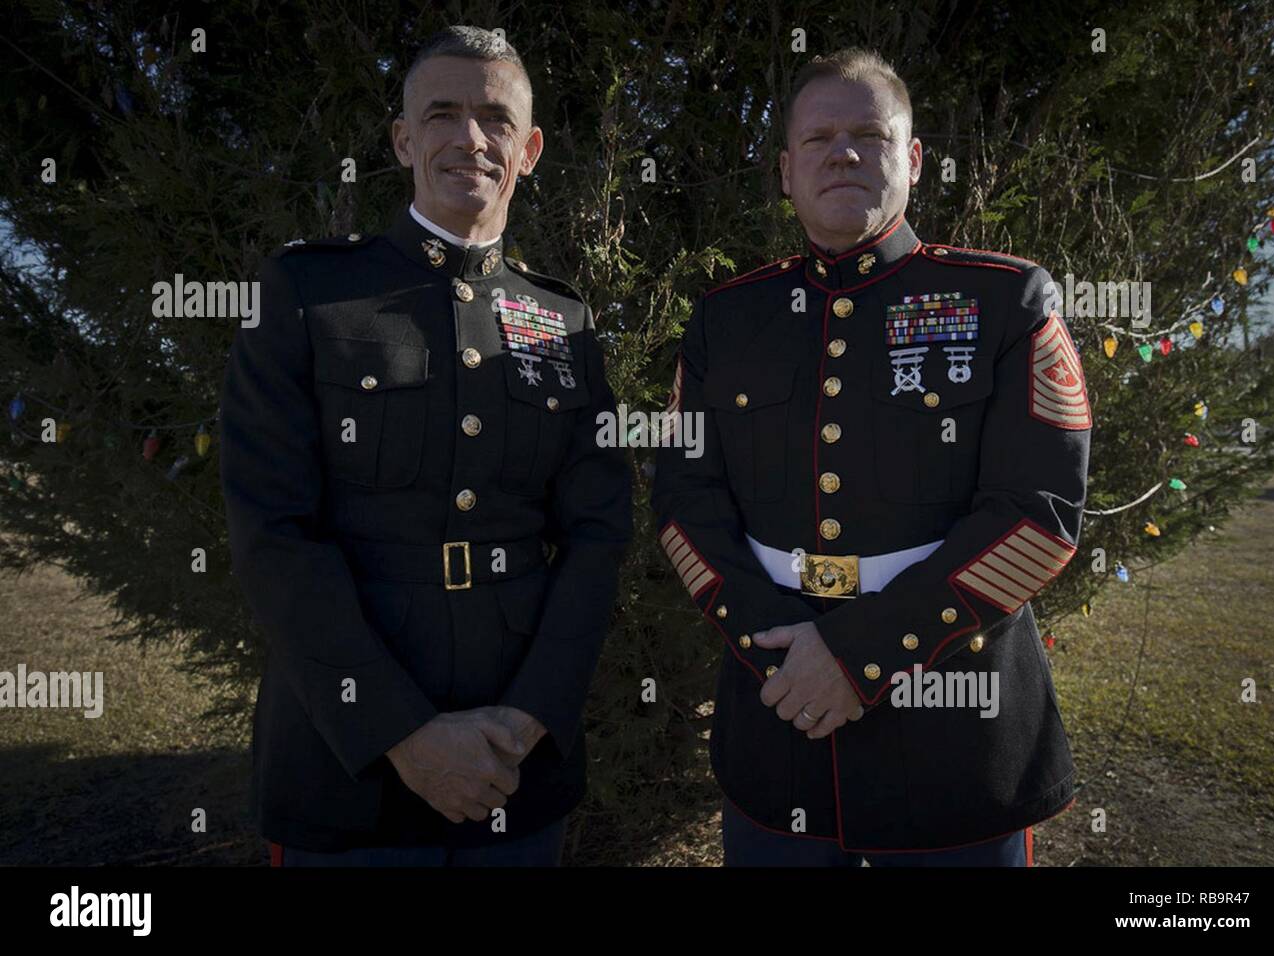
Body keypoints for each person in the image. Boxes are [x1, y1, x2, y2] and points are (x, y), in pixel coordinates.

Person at [651, 47, 1091, 866]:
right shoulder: (727, 320)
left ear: (914, 160)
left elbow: (1040, 515)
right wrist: (779, 653)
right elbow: (685, 501)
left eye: (870, 135)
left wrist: (857, 657)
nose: (843, 152)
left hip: (956, 731)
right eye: (818, 139)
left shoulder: (1004, 300)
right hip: (774, 723)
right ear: (786, 171)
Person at [220, 25, 631, 866]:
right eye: (442, 114)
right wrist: (402, 734)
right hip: (349, 759)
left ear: (531, 148)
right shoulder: (308, 294)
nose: (470, 139)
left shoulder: (565, 321)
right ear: (404, 139)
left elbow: (599, 533)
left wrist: (530, 716)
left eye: (496, 118)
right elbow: (273, 535)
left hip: (518, 763)